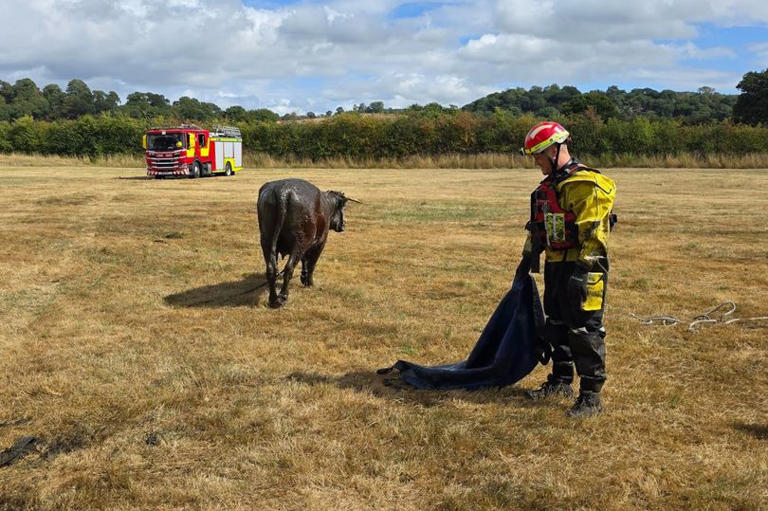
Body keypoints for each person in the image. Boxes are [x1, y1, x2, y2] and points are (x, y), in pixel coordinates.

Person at [517, 121, 616, 418]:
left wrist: (583, 272)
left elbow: (595, 235)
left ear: (554, 150)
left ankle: (591, 397)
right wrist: (527, 259)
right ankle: (560, 381)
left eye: (538, 155)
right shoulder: (547, 188)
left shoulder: (587, 184)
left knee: (584, 329)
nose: (536, 162)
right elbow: (539, 228)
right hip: (556, 265)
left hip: (585, 267)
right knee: (557, 324)